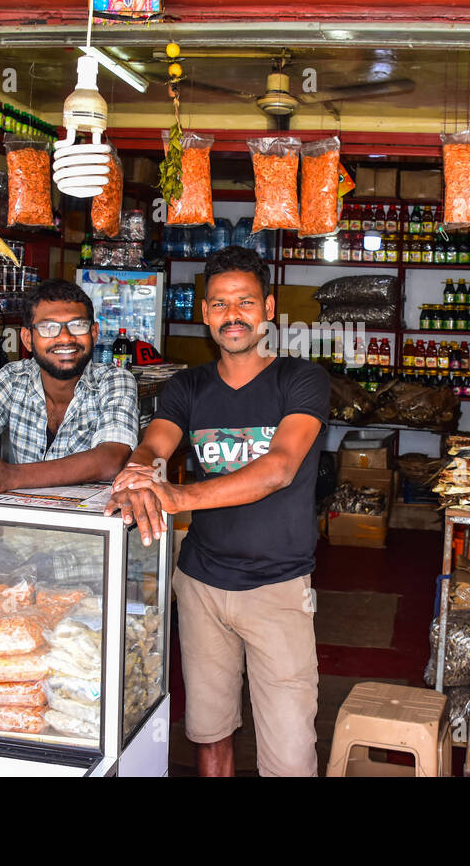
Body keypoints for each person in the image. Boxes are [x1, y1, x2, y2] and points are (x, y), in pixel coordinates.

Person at [107, 246, 329, 777]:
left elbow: (279, 467)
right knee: (209, 736)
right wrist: (139, 472)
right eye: (221, 304)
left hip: (278, 587)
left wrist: (178, 497)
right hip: (202, 584)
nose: (234, 315)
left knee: (291, 755)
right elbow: (154, 445)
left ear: (268, 308)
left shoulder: (301, 379)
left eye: (246, 302)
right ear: (205, 314)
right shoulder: (188, 386)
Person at [0, 278, 138, 497]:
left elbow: (110, 459)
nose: (66, 337)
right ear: (27, 339)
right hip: (26, 524)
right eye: (49, 328)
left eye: (77, 326)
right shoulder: (13, 378)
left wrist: (9, 476)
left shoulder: (115, 381)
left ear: (94, 334)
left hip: (94, 525)